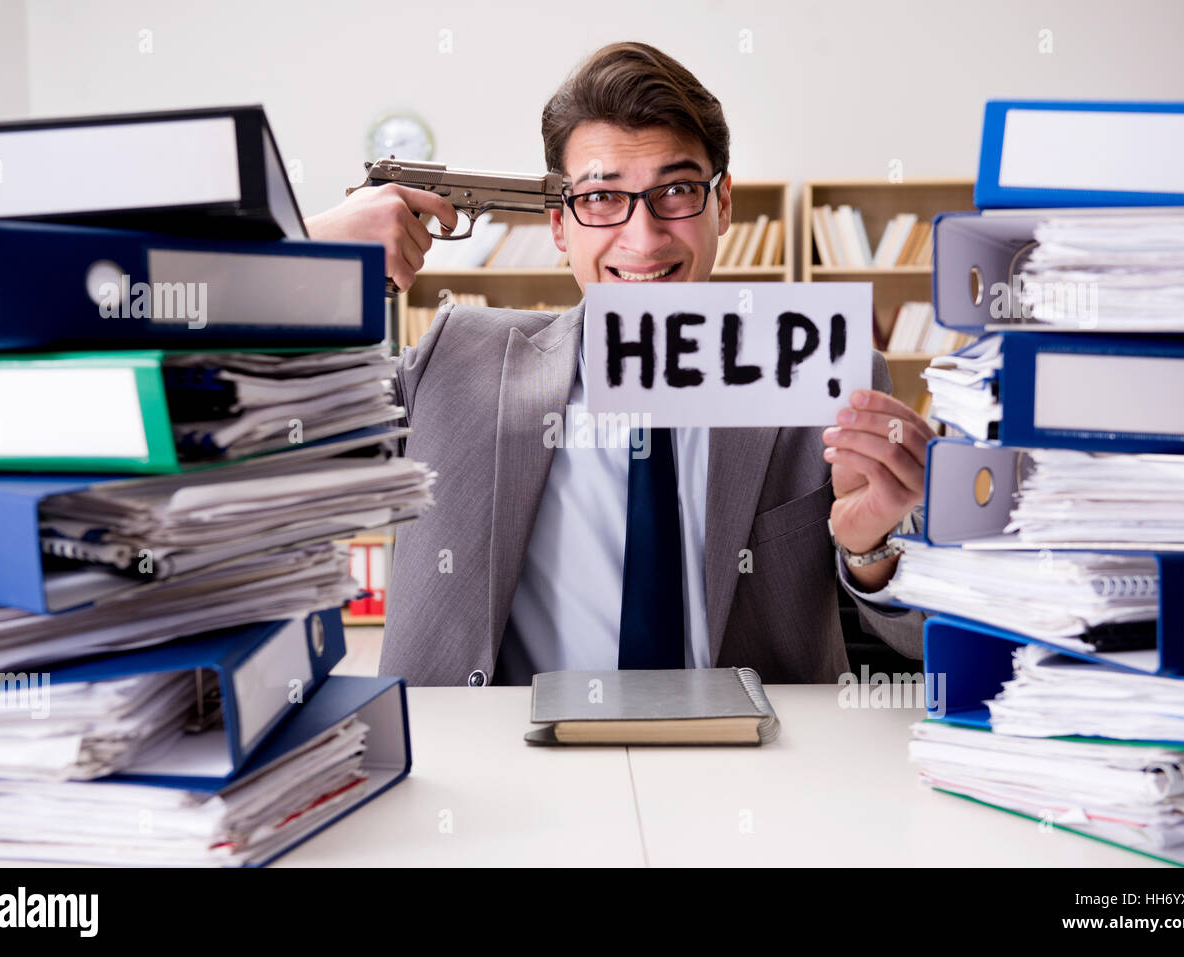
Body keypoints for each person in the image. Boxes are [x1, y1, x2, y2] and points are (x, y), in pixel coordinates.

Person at [307, 41, 930, 686]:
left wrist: (872, 551)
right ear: (558, 223)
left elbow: (920, 635)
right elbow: (221, 431)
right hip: (502, 768)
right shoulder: (455, 362)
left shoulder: (823, 376)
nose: (644, 237)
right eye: (603, 197)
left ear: (722, 206)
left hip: (746, 769)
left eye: (678, 190)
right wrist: (302, 259)